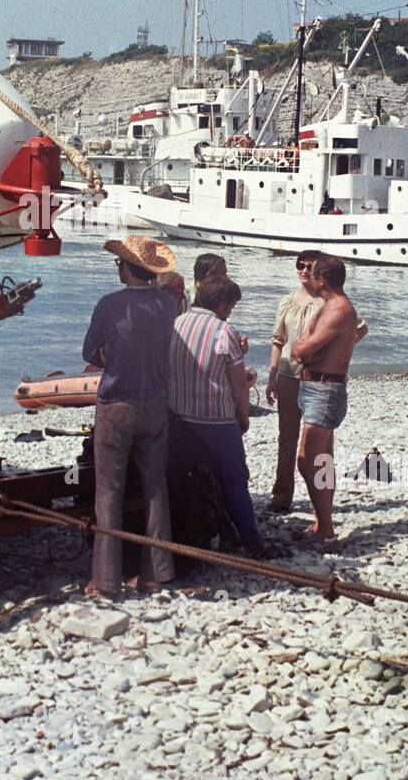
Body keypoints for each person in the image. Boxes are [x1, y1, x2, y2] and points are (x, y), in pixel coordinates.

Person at [81, 236, 178, 597]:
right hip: (154, 400)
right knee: (155, 487)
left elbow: (89, 350)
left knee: (109, 491)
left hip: (116, 401)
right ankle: (157, 572)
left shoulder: (109, 304)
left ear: (125, 267)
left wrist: (113, 356)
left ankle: (106, 580)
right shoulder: (168, 304)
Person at [168, 275, 277, 558]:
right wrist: (242, 413)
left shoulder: (175, 324)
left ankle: (227, 533)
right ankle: (254, 542)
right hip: (214, 417)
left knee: (206, 476)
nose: (231, 312)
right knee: (234, 478)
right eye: (230, 306)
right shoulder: (222, 330)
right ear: (222, 304)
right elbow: (238, 380)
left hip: (180, 415)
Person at [291, 254, 361, 545]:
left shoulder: (338, 309)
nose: (308, 276)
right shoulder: (330, 307)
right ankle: (323, 522)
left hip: (324, 389)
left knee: (308, 461)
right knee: (323, 459)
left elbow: (303, 350)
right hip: (317, 387)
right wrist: (306, 346)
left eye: (314, 273)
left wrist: (306, 347)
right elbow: (303, 347)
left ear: (322, 280)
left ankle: (327, 527)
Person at [265, 250, 324, 512]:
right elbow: (278, 340)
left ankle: (324, 500)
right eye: (300, 266)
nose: (303, 271)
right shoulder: (287, 301)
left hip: (317, 381)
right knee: (286, 439)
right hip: (288, 378)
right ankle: (282, 495)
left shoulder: (328, 303)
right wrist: (272, 375)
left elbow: (356, 329)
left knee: (320, 444)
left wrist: (330, 359)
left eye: (309, 267)